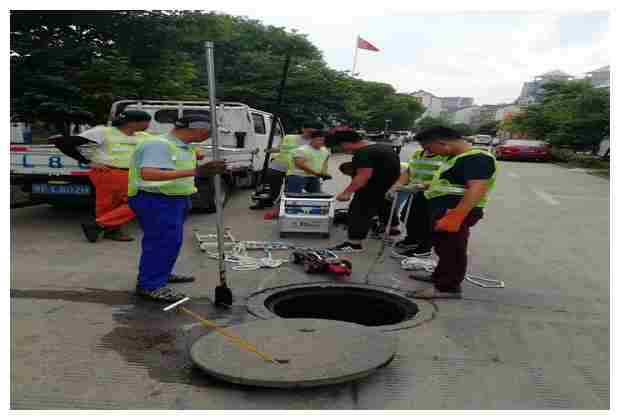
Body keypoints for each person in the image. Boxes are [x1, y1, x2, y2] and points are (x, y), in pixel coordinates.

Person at [127, 115, 226, 302]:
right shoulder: (158, 144)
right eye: (210, 132)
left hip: (173, 199)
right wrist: (196, 171)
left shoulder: (183, 146)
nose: (211, 136)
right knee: (161, 242)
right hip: (156, 199)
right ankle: (151, 285)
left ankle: (161, 273)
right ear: (198, 129)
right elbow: (148, 174)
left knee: (171, 241)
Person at [406, 126, 498, 300]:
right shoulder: (456, 158)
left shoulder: (477, 158)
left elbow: (476, 188)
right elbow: (450, 183)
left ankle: (447, 287)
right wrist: (424, 186)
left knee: (452, 249)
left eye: (429, 149)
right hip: (445, 209)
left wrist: (455, 217)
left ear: (442, 143)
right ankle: (440, 276)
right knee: (443, 247)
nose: (430, 152)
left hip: (455, 212)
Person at [53, 110, 153, 243]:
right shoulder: (102, 132)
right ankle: (107, 229)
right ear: (133, 122)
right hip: (108, 173)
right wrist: (88, 162)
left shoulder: (143, 136)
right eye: (147, 121)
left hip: (130, 174)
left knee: (132, 203)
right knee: (119, 204)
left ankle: (98, 227)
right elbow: (63, 143)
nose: (149, 124)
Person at [328, 131, 401, 252]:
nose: (342, 149)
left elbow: (363, 176)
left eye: (341, 146)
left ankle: (354, 244)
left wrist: (347, 192)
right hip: (388, 187)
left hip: (370, 189)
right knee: (385, 206)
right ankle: (393, 229)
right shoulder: (383, 148)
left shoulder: (363, 153)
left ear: (345, 143)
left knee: (358, 212)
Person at [390, 142, 448, 258]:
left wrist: (423, 185)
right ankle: (412, 239)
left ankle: (424, 248)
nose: (425, 146)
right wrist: (397, 185)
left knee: (426, 222)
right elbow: (409, 172)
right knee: (407, 215)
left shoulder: (444, 156)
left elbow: (445, 178)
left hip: (432, 194)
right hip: (415, 192)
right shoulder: (418, 154)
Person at [250, 123, 321, 210]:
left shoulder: (315, 142)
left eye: (313, 132)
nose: (311, 134)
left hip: (294, 170)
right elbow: (280, 149)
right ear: (303, 129)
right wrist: (269, 150)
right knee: (271, 188)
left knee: (290, 190)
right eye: (309, 131)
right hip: (278, 166)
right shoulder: (288, 137)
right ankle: (266, 202)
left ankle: (284, 206)